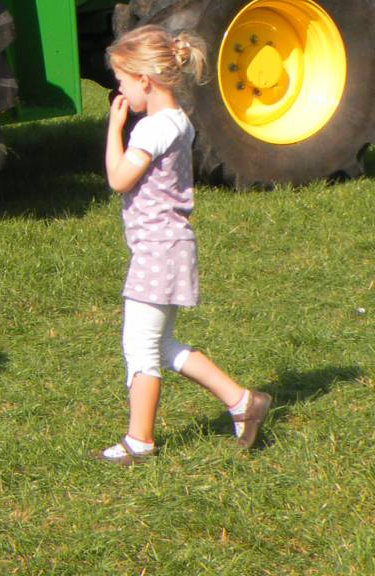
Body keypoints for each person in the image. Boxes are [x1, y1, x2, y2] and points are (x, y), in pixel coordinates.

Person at [98, 24, 271, 465]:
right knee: (162, 344)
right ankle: (242, 403)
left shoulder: (150, 131)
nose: (120, 91)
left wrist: (114, 129)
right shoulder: (179, 123)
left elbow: (119, 179)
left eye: (121, 81)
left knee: (139, 346)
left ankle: (139, 441)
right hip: (171, 247)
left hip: (157, 250)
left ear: (145, 80)